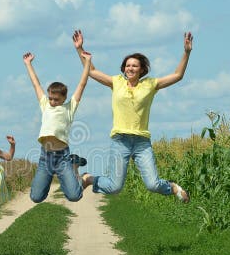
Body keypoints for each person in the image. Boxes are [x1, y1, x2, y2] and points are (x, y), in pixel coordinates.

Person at [73, 29, 192, 202]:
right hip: (120, 140)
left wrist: (186, 52)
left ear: (142, 69)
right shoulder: (116, 82)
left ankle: (172, 187)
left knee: (152, 184)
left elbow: (177, 75)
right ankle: (89, 179)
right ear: (123, 68)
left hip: (141, 142)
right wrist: (80, 48)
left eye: (134, 65)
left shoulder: (150, 84)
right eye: (128, 65)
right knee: (114, 187)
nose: (130, 68)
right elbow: (91, 71)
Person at [23, 46, 92, 203]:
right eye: (51, 98)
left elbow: (82, 84)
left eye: (56, 99)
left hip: (63, 157)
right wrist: (28, 64)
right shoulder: (45, 105)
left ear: (64, 98)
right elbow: (36, 84)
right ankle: (45, 182)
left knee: (74, 196)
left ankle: (81, 176)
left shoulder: (69, 108)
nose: (53, 102)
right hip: (45, 157)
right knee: (36, 197)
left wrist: (87, 62)